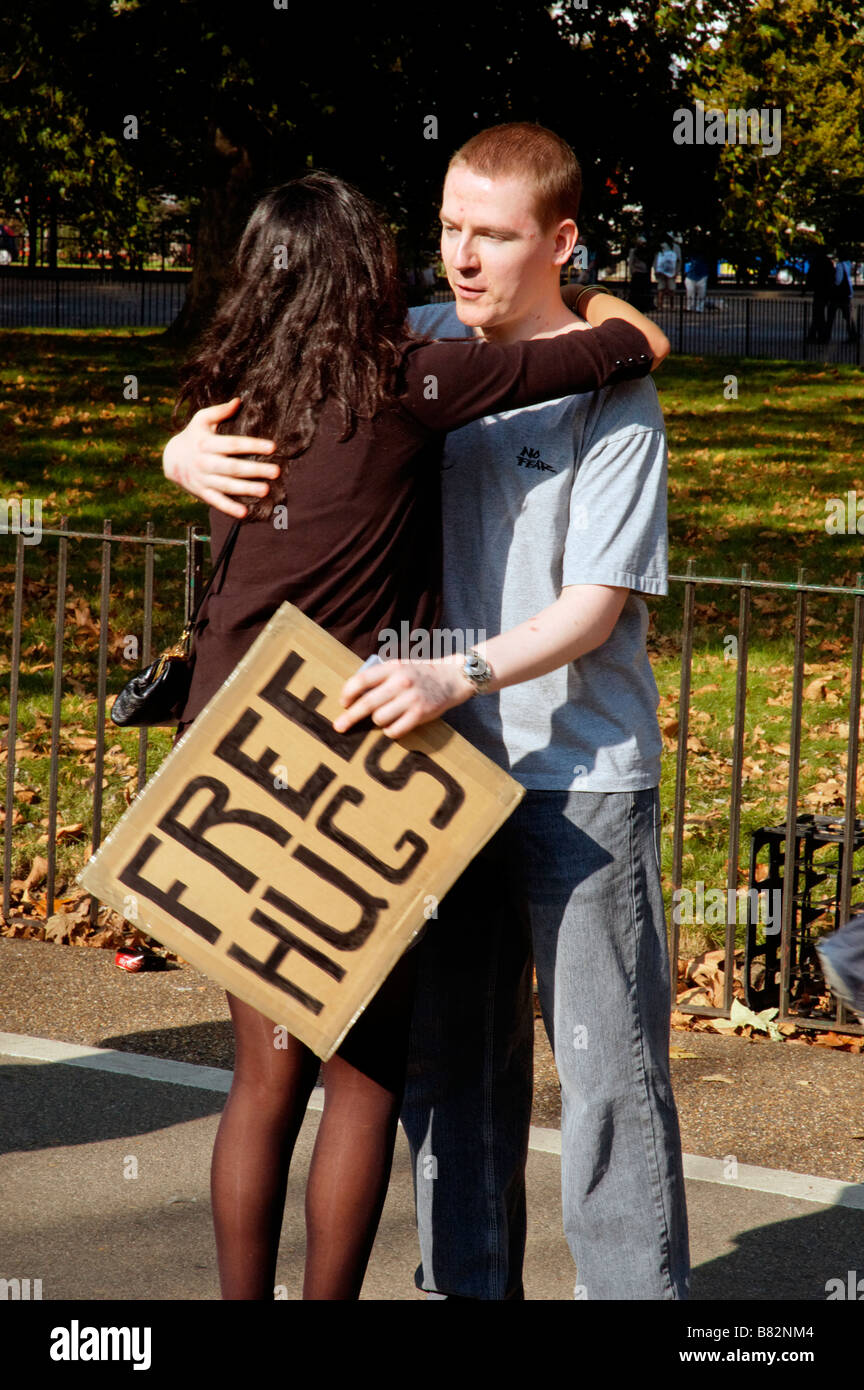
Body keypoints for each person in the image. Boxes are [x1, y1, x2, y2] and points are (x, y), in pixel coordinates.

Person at [163, 122, 689, 1302]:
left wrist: (458, 673)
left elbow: (595, 607)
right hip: (412, 774)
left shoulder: (606, 394)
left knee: (603, 1094)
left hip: (565, 772)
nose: (458, 258)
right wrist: (178, 454)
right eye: (445, 229)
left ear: (556, 241)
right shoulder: (412, 357)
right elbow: (285, 369)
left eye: (489, 236)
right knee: (436, 1087)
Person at [825, 252, 856, 344]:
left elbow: (838, 280)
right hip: (847, 294)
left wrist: (833, 286)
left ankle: (827, 336)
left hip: (838, 295)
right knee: (848, 317)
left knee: (831, 316)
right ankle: (852, 335)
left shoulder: (839, 266)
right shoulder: (848, 264)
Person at [805, 248, 835, 344]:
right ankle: (816, 335)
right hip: (827, 291)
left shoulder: (816, 262)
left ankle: (818, 335)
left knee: (818, 314)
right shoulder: (828, 263)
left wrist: (807, 288)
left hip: (819, 291)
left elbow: (810, 276)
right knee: (819, 314)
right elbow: (832, 277)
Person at [627, 234, 652, 310]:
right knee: (636, 292)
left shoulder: (646, 252)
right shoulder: (634, 251)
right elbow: (631, 262)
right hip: (637, 273)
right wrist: (632, 271)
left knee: (644, 292)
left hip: (644, 274)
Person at [653, 238, 678, 309]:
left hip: (671, 272)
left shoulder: (675, 247)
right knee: (661, 288)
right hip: (661, 271)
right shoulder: (660, 247)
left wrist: (676, 271)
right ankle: (660, 306)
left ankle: (671, 306)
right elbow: (656, 260)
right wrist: (656, 270)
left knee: (671, 289)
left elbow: (678, 260)